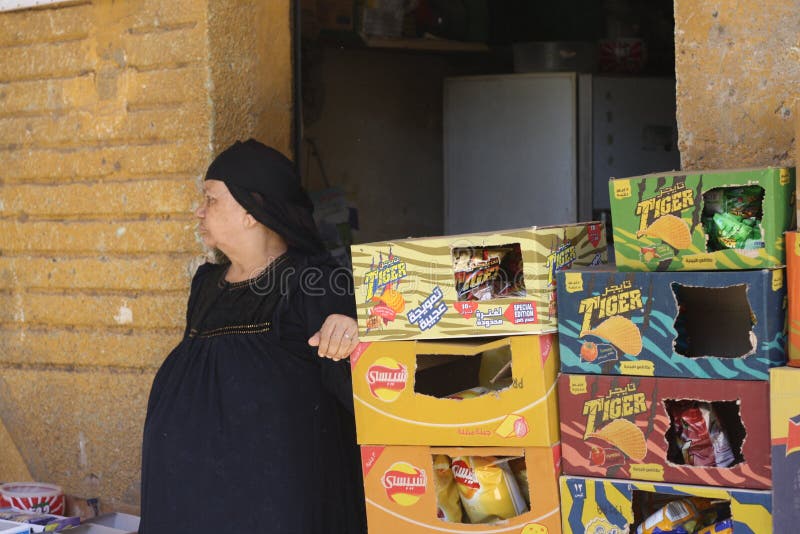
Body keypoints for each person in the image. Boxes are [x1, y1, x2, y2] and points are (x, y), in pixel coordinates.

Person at [138, 139, 367, 533]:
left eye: (211, 199)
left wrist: (357, 334)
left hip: (275, 510)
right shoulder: (207, 285)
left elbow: (362, 390)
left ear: (251, 210)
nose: (200, 210)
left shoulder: (313, 283)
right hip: (192, 505)